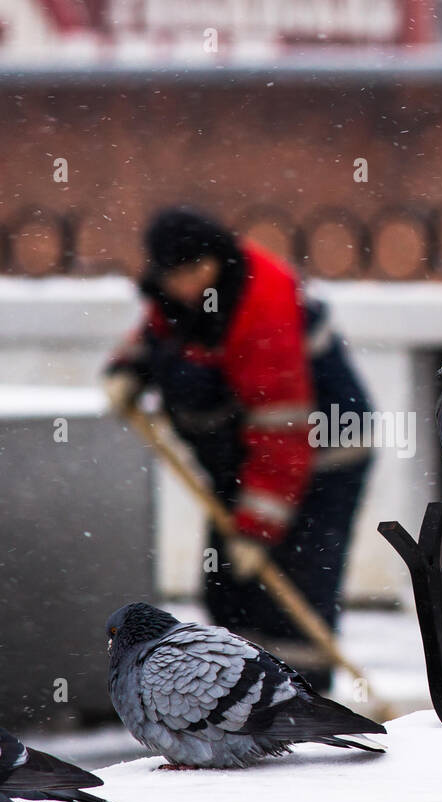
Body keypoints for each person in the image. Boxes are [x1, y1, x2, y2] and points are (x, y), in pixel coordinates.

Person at [103, 207, 371, 691]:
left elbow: (283, 428)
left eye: (194, 271)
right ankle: (235, 696)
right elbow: (158, 334)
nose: (185, 286)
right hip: (247, 458)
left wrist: (258, 527)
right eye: (174, 275)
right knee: (228, 587)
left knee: (291, 592)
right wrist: (129, 369)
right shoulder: (177, 296)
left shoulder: (261, 304)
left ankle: (300, 704)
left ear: (216, 260)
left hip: (320, 453)